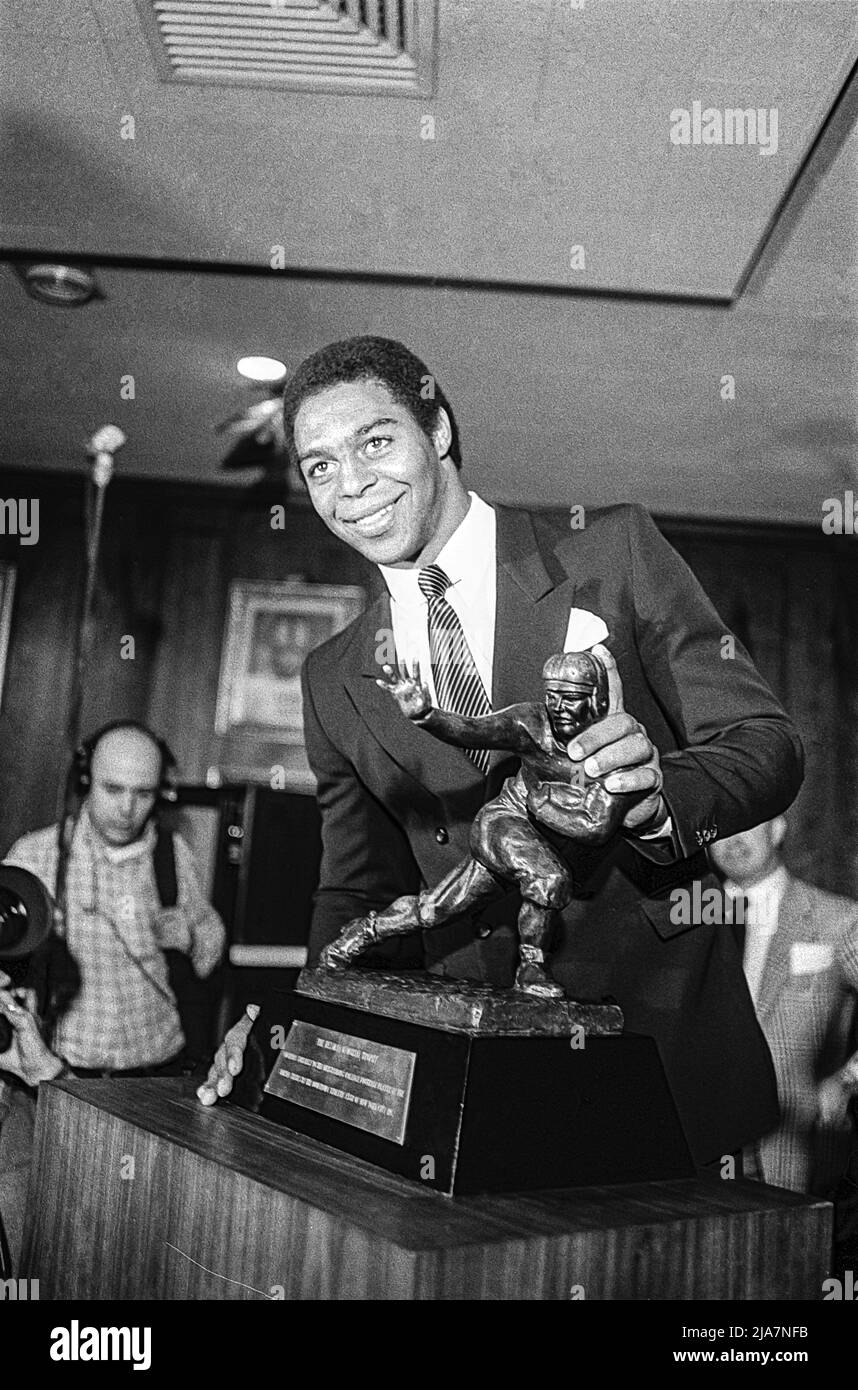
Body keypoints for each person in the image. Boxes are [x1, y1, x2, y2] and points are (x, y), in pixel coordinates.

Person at [200, 335, 803, 1173]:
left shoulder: (613, 553)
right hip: (461, 1087)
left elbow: (766, 744)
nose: (352, 485)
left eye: (375, 442)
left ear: (438, 428)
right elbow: (355, 889)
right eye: (320, 467)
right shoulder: (332, 675)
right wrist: (299, 1028)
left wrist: (659, 795)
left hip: (664, 1067)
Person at [3, 720, 226, 1075]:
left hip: (156, 1070)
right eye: (113, 789)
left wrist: (192, 936)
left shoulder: (172, 854)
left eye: (143, 794)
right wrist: (36, 944)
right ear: (86, 780)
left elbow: (210, 949)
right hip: (64, 1070)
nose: (127, 809)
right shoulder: (37, 855)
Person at [710, 817, 858, 1194]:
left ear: (777, 829)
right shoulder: (692, 916)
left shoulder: (837, 919)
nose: (734, 839)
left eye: (747, 823)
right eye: (719, 829)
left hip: (793, 1143)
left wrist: (847, 1081)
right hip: (706, 1142)